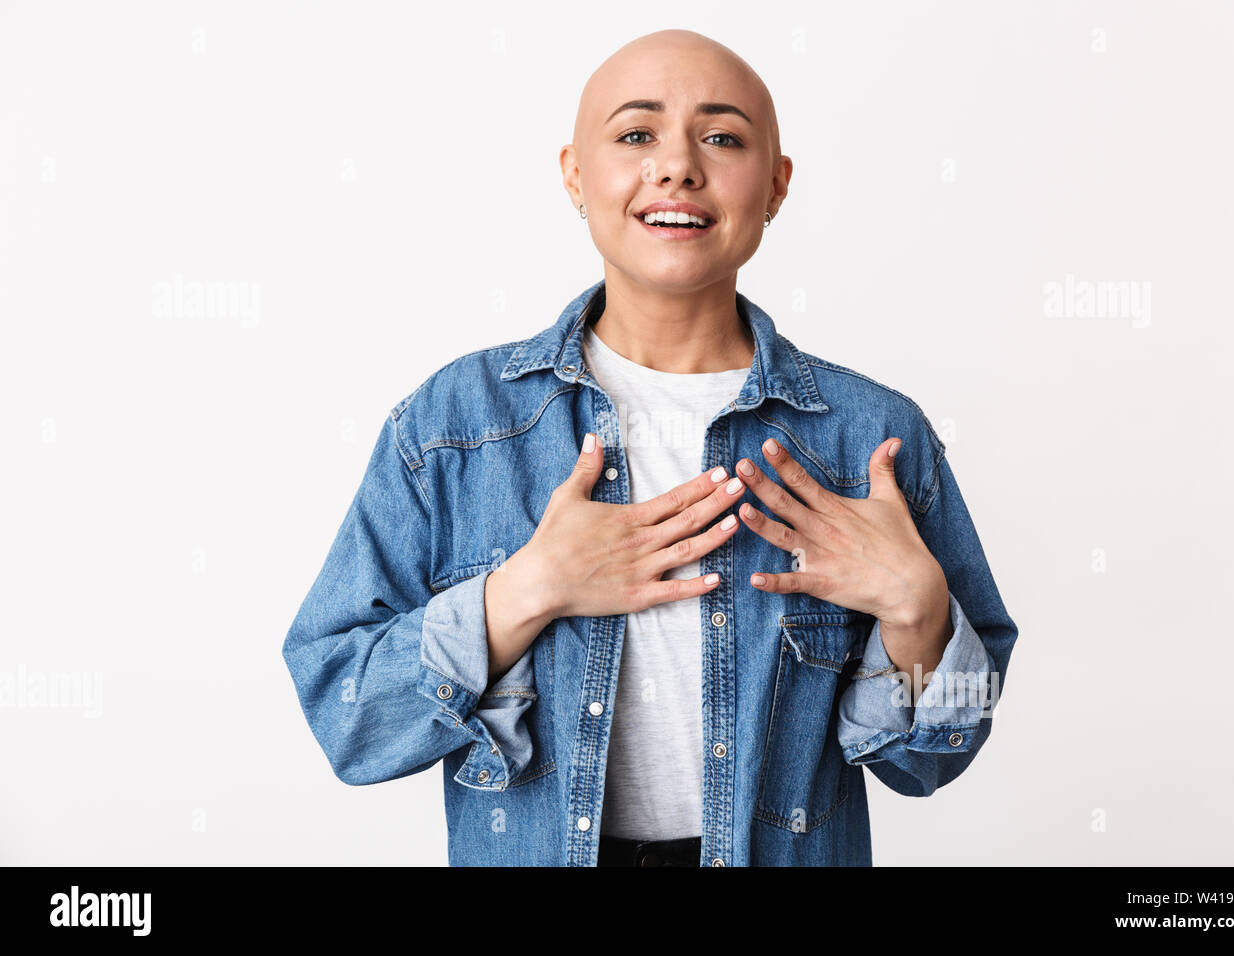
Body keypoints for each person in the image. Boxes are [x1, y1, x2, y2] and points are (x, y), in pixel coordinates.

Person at [282, 28, 1018, 867]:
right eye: (636, 135)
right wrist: (524, 593)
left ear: (776, 185)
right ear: (574, 175)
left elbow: (938, 754)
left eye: (723, 137)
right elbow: (344, 713)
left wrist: (920, 614)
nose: (675, 167)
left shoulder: (871, 439)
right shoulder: (454, 426)